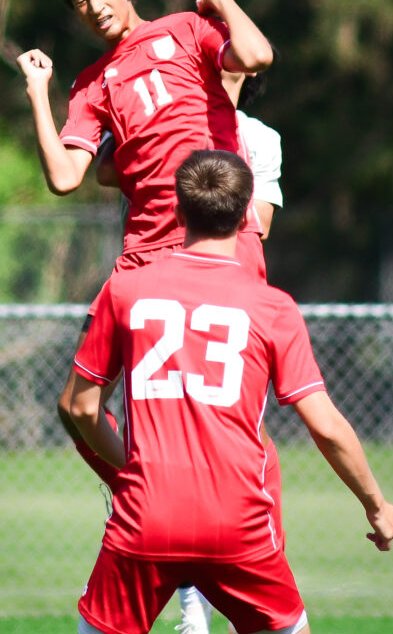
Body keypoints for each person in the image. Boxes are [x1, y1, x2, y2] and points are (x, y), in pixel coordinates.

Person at [68, 149, 393, 634]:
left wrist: (134, 472)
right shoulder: (272, 307)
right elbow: (326, 427)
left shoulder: (125, 290)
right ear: (249, 213)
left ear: (177, 213)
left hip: (144, 517)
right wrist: (376, 504)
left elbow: (81, 408)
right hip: (237, 522)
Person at [94, 72, 284, 633]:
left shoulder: (258, 136)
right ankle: (170, 577)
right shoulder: (159, 118)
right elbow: (106, 169)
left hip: (224, 299)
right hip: (153, 289)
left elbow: (262, 224)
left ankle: (212, 588)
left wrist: (206, 194)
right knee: (120, 427)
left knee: (236, 445)